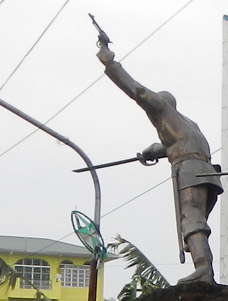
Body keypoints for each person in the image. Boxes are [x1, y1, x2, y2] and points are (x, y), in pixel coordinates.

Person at [95, 24, 221, 283]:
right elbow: (176, 146)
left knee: (192, 221)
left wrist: (110, 64)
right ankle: (204, 267)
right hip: (206, 173)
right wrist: (154, 150)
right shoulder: (188, 126)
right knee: (195, 222)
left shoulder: (162, 109)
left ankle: (204, 270)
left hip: (190, 173)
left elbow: (138, 92)